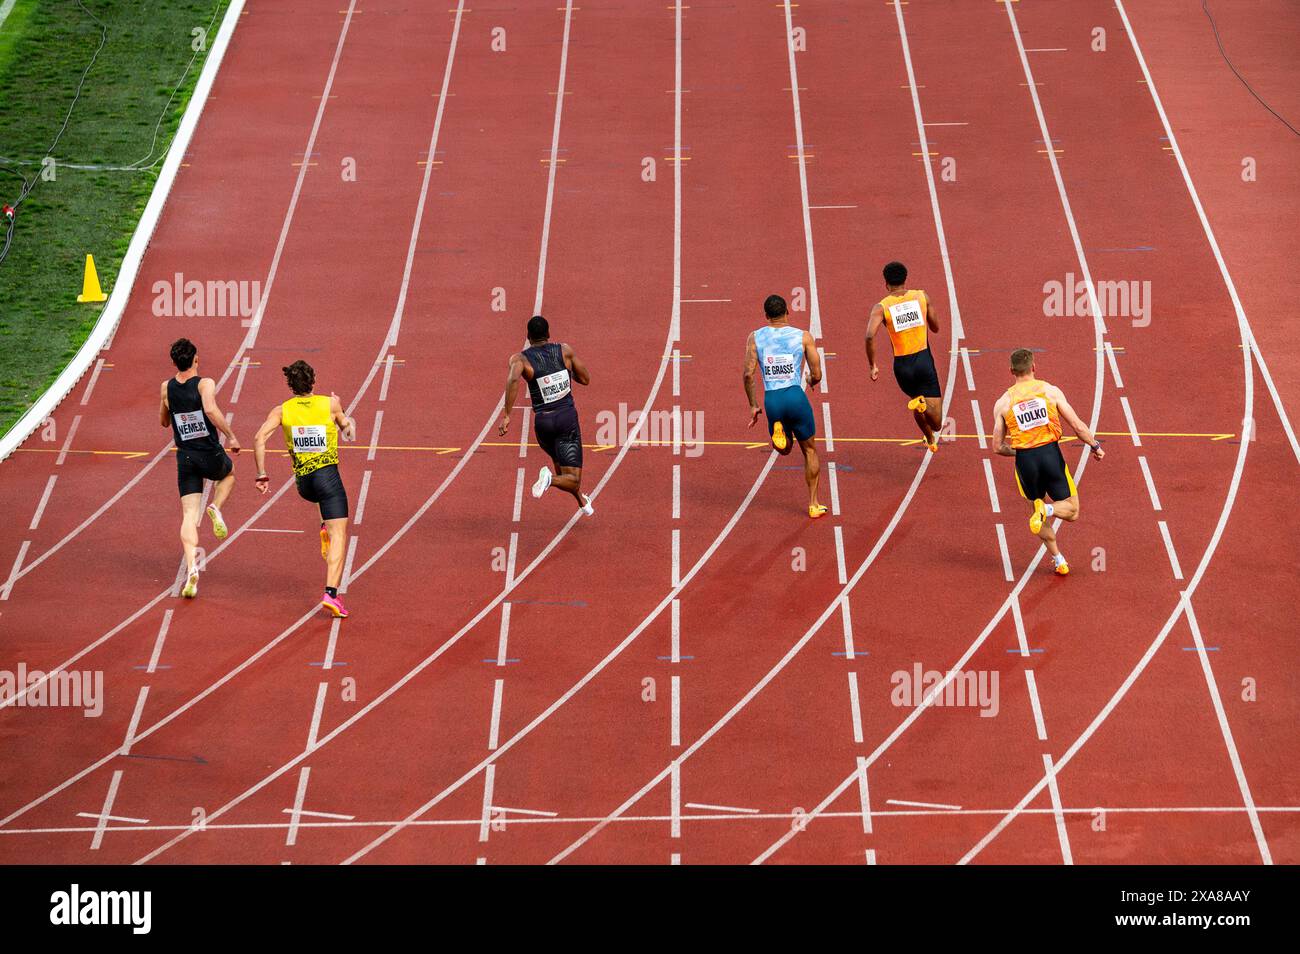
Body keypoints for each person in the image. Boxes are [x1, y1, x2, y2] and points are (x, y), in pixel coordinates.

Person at [252, 360, 356, 617]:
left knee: (324, 505)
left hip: (304, 483)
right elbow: (348, 431)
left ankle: (323, 526)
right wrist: (343, 412)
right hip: (328, 478)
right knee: (340, 535)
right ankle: (332, 595)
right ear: (314, 381)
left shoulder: (281, 411)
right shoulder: (329, 404)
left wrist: (262, 475)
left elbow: (258, 439)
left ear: (291, 385)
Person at [991, 348, 1104, 576]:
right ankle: (1049, 509)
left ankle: (1058, 559)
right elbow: (1078, 425)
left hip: (1025, 464)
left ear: (1011, 371)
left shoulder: (1003, 403)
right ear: (1034, 367)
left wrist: (1021, 452)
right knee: (1072, 511)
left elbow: (997, 447)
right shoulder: (1050, 392)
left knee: (1036, 513)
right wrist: (1095, 446)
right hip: (1050, 457)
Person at [160, 338, 239, 599]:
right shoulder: (205, 384)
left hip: (185, 458)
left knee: (188, 516)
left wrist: (175, 411)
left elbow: (163, 421)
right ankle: (216, 506)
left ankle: (192, 569)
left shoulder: (166, 387)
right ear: (196, 359)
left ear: (174, 362)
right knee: (228, 475)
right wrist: (231, 435)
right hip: (209, 452)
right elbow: (210, 409)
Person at [497, 315, 594, 516]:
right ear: (548, 334)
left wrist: (507, 415)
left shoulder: (520, 359)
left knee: (563, 475)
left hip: (543, 425)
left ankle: (582, 501)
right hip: (566, 421)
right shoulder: (564, 351)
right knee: (572, 479)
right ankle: (549, 479)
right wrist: (566, 375)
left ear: (528, 337)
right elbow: (585, 379)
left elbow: (513, 380)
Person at [744, 294, 827, 518]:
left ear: (766, 316)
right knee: (809, 450)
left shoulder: (755, 337)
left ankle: (779, 436)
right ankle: (813, 504)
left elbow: (748, 375)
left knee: (785, 449)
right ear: (787, 313)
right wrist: (811, 381)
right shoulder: (803, 337)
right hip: (795, 396)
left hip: (772, 399)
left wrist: (753, 406)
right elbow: (817, 373)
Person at [865, 260, 944, 451]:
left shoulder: (881, 307)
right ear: (905, 280)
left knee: (916, 399)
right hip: (924, 361)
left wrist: (873, 365)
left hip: (902, 366)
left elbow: (869, 336)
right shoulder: (921, 297)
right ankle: (928, 425)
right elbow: (935, 328)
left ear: (886, 284)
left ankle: (928, 438)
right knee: (938, 423)